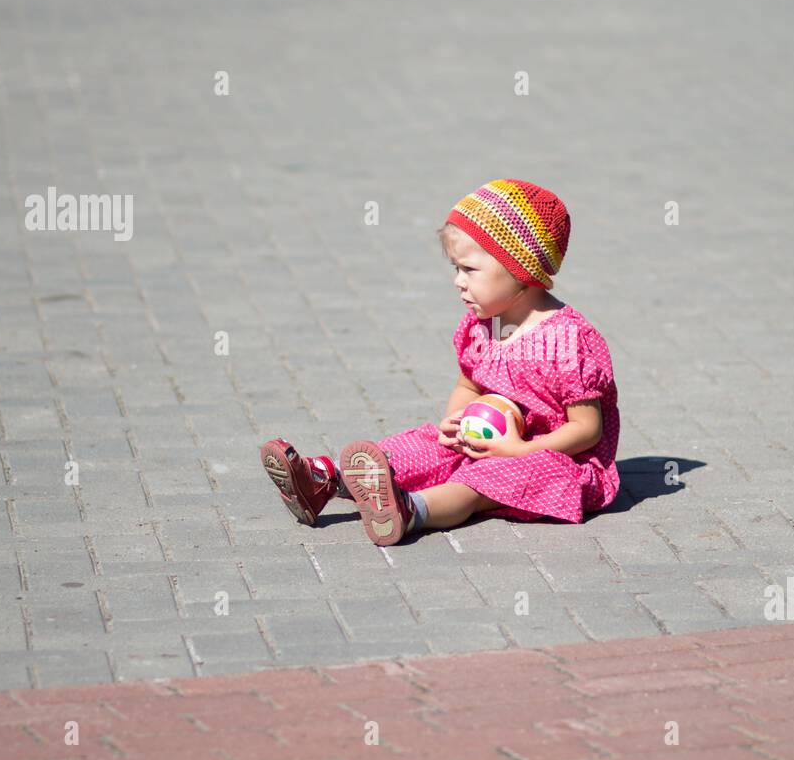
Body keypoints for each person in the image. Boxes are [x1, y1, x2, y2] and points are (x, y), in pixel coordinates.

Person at [260, 179, 620, 546]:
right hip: (485, 439)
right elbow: (469, 385)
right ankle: (324, 481)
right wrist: (455, 422)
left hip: (557, 460)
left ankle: (412, 509)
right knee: (424, 444)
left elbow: (586, 429)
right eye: (455, 268)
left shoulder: (568, 340)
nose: (458, 283)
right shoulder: (482, 327)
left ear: (520, 270)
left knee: (482, 482)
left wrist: (519, 449)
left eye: (469, 270)